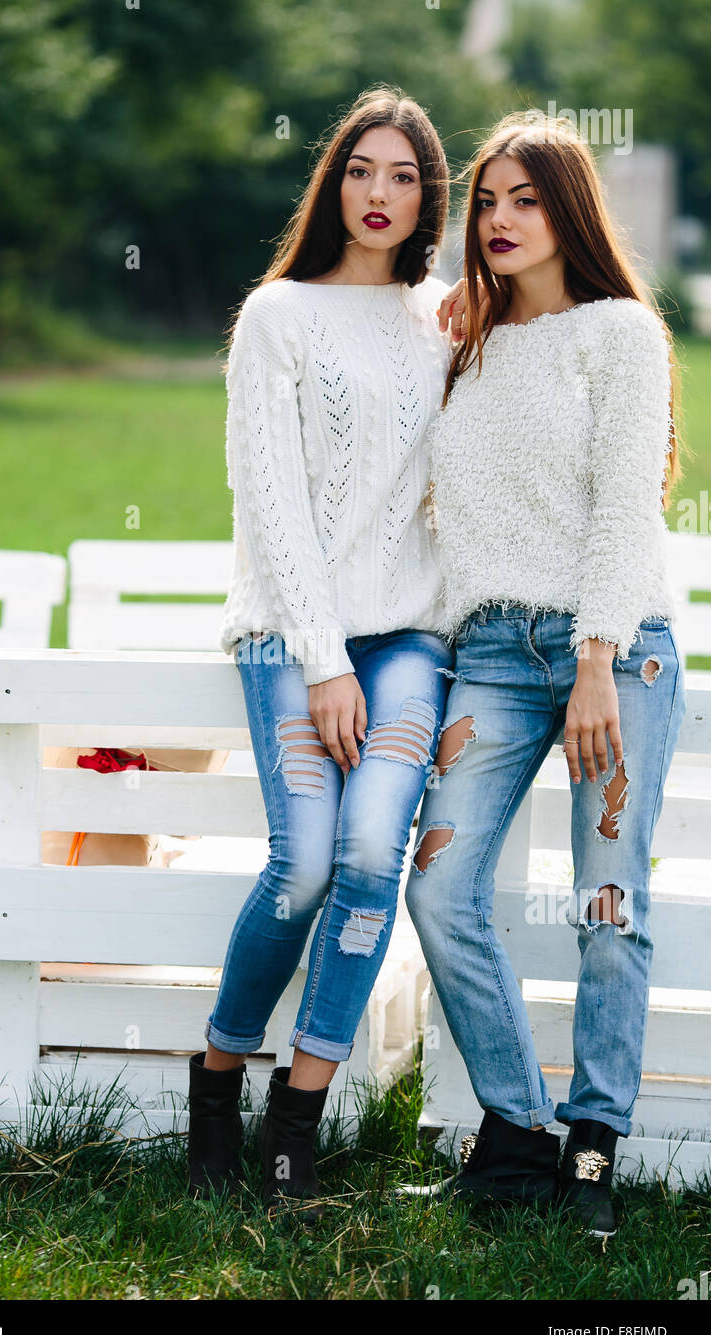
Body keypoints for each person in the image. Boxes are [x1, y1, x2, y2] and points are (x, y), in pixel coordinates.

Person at [402, 111, 687, 1239]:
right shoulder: (459, 341)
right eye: (485, 200)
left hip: (608, 653)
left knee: (604, 906)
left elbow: (624, 506)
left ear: (567, 212)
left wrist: (594, 664)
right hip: (485, 655)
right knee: (437, 885)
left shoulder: (618, 335)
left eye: (525, 198)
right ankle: (515, 1131)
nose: (500, 218)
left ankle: (591, 1152)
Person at [187, 86, 468, 1219]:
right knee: (300, 863)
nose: (380, 195)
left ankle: (292, 1131)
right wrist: (319, 657)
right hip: (291, 631)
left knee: (367, 859)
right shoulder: (276, 316)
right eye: (362, 171)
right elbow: (271, 503)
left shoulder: (443, 319)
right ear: (333, 182)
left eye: (404, 177)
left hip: (409, 634)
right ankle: (217, 1077)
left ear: (425, 197)